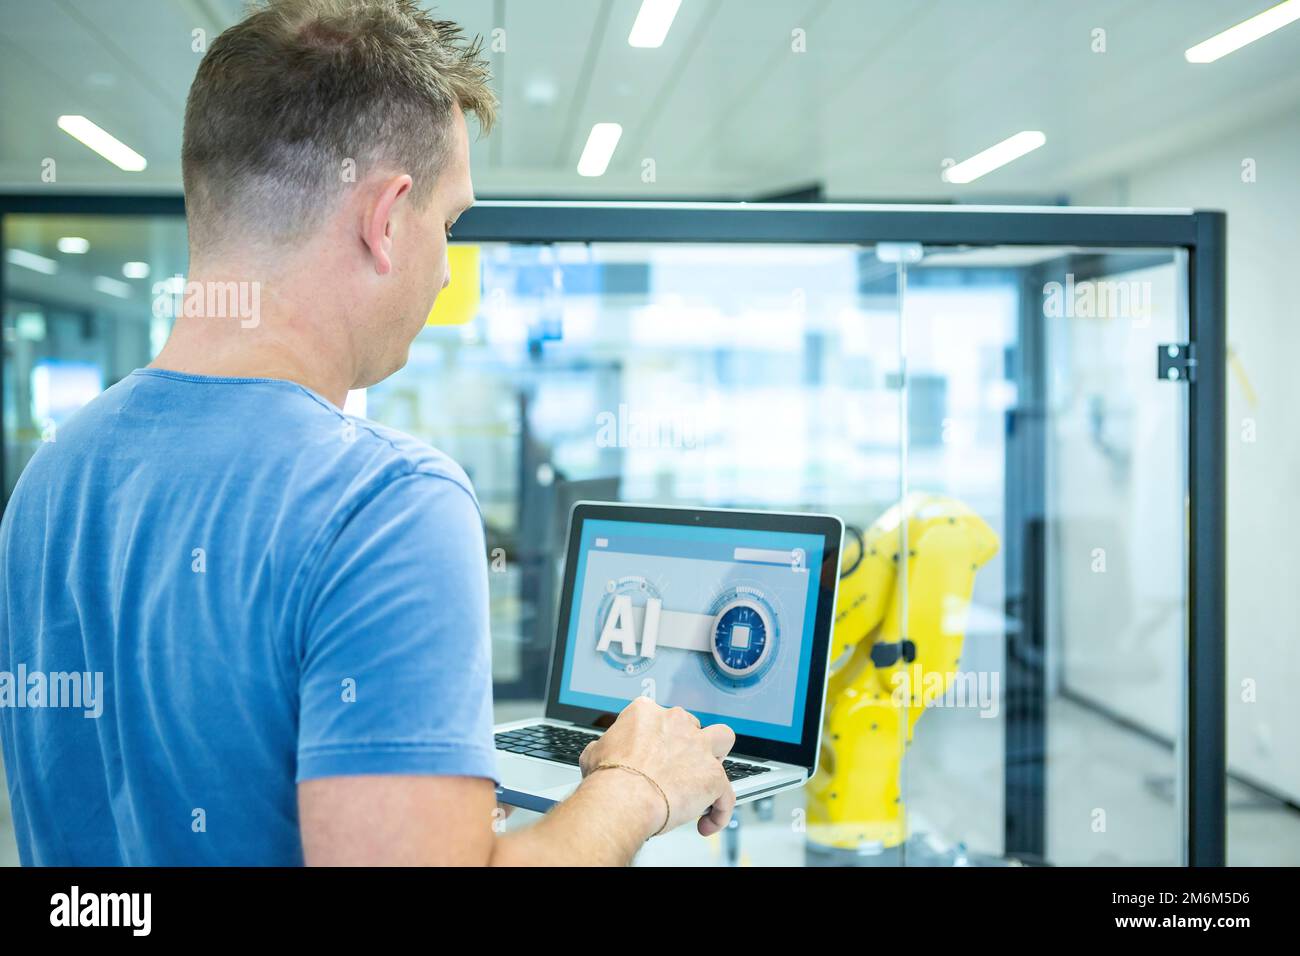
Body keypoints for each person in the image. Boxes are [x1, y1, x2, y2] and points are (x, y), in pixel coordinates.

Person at [0, 0, 735, 866]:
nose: (447, 266)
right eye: (449, 223)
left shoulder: (55, 475)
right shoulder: (386, 502)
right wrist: (638, 788)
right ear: (385, 219)